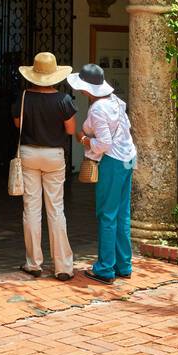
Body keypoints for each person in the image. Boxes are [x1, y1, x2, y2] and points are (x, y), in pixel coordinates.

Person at [67, 62, 136, 284]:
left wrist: (84, 140)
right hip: (128, 159)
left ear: (87, 89)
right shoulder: (115, 101)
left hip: (113, 162)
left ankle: (105, 268)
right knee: (122, 214)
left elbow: (104, 143)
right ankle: (123, 265)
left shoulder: (97, 108)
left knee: (107, 214)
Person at [11, 51, 76, 280]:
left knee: (31, 208)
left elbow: (18, 124)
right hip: (54, 155)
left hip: (29, 153)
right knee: (56, 209)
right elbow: (70, 129)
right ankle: (63, 266)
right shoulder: (63, 100)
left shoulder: (25, 97)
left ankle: (34, 263)